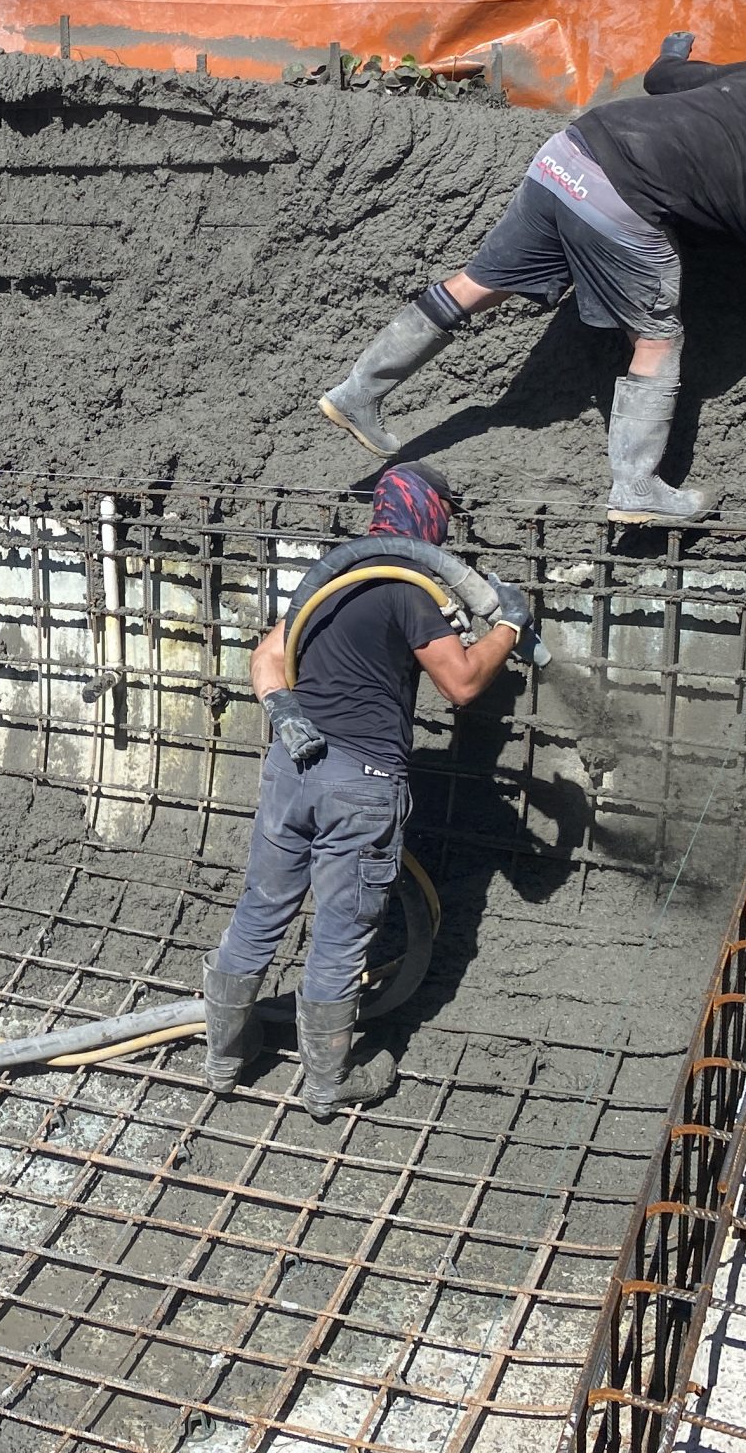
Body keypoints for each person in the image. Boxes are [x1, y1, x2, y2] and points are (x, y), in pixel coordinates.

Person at [317, 34, 746, 521]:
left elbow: (663, 80)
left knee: (481, 282)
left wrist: (673, 53)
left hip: (568, 155)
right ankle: (637, 487)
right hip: (620, 197)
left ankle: (357, 392)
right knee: (658, 335)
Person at [203, 463, 528, 1117]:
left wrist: (286, 713)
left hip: (291, 771)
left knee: (260, 911)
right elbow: (461, 685)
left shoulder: (326, 584)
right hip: (362, 784)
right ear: (428, 522)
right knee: (340, 938)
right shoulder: (409, 593)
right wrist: (508, 629)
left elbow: (267, 656)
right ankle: (328, 1083)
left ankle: (224, 1061)